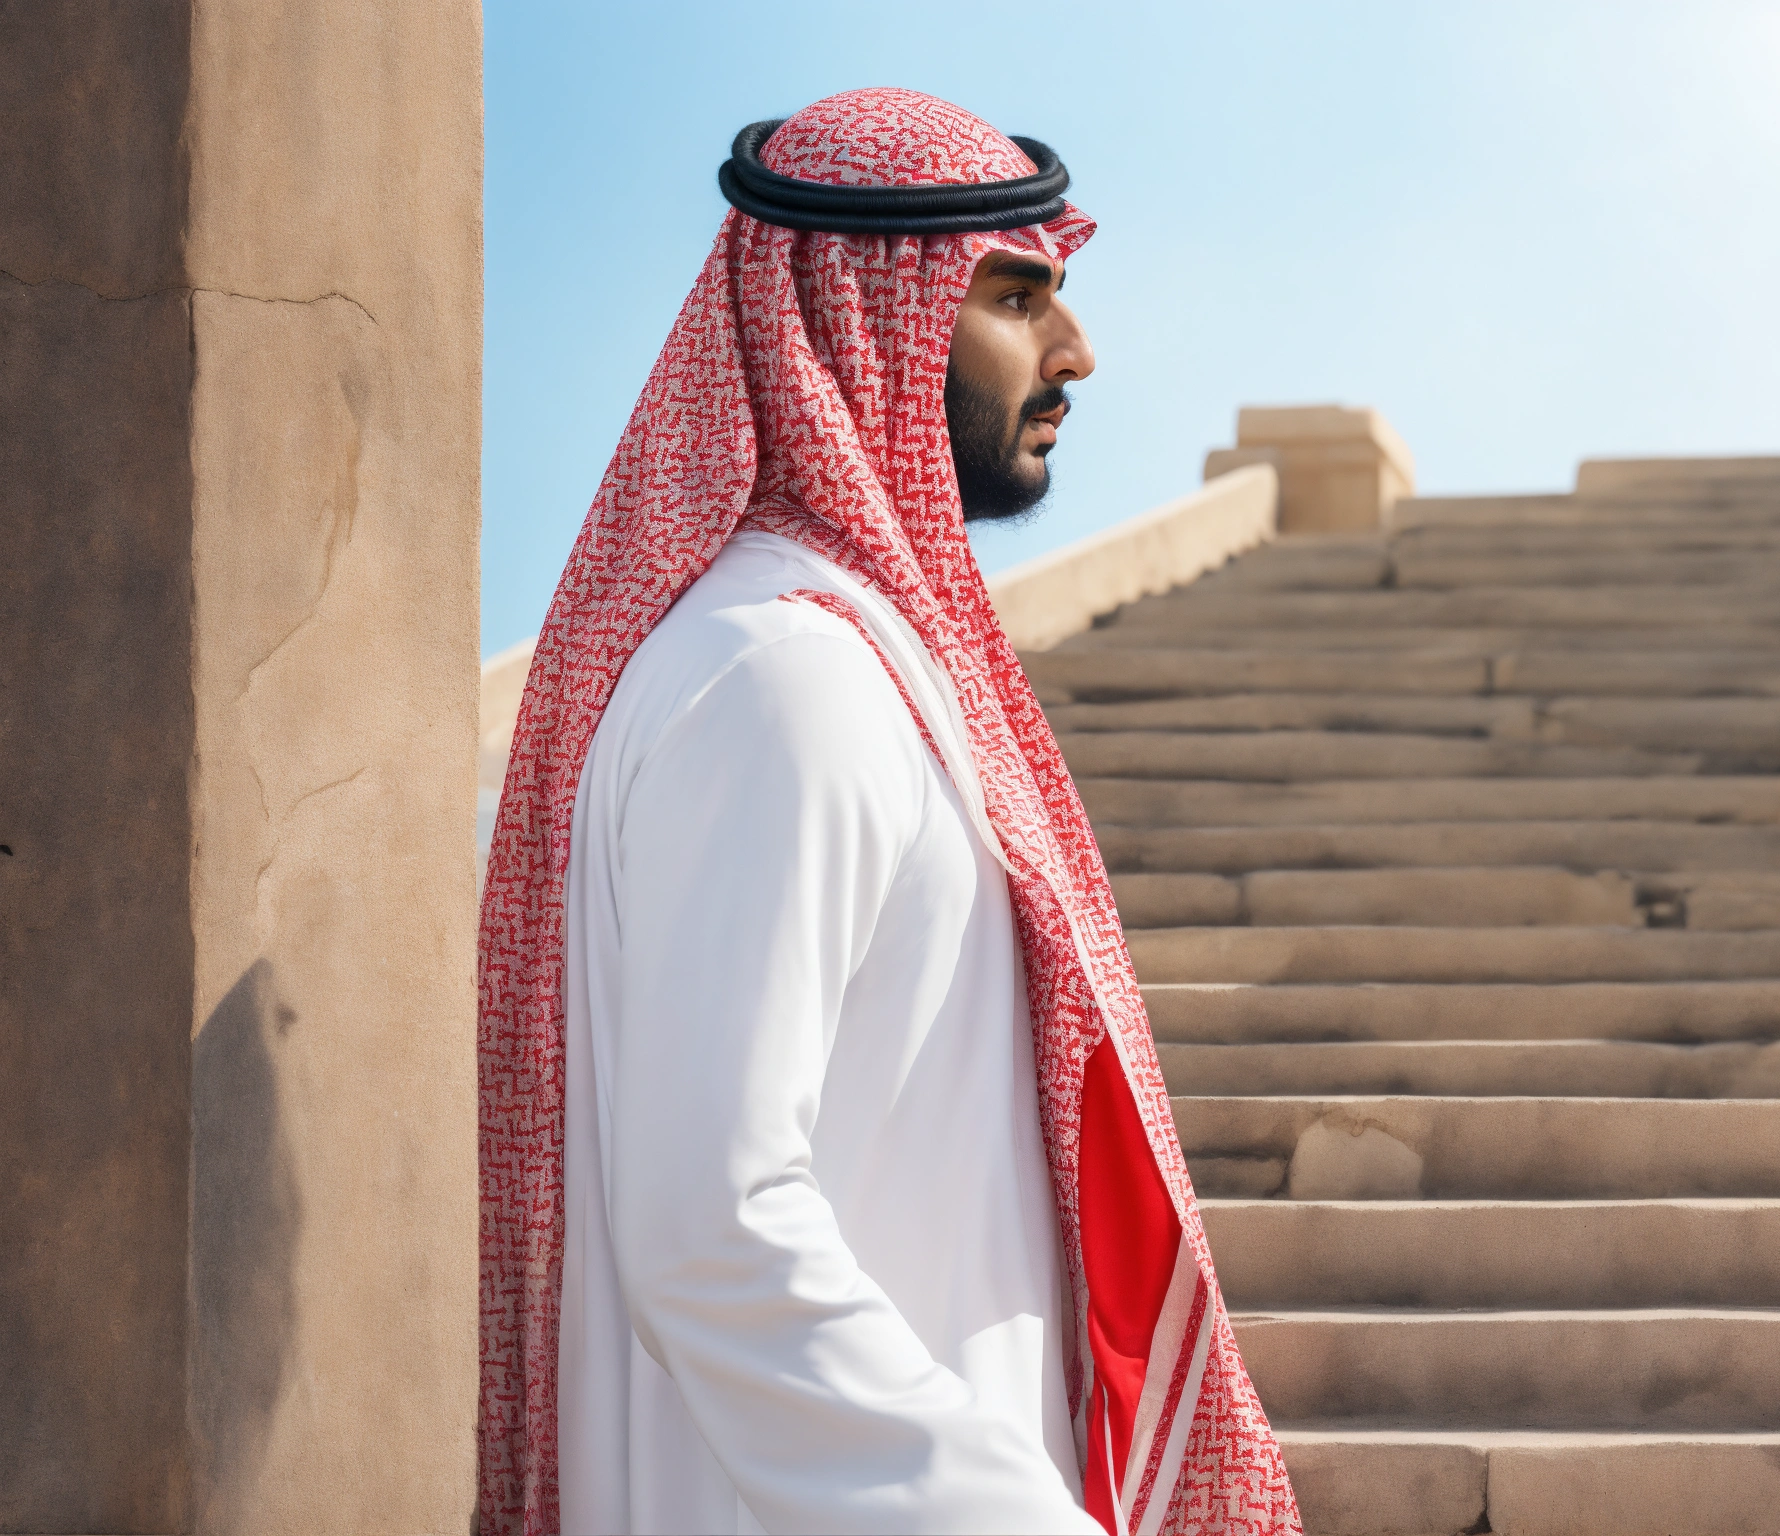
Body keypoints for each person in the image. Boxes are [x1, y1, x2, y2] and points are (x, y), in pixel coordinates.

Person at [475, 88, 1300, 1536]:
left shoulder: (839, 663)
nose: (1075, 350)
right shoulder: (783, 680)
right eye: (1015, 296)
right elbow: (711, 1228)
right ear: (864, 316)